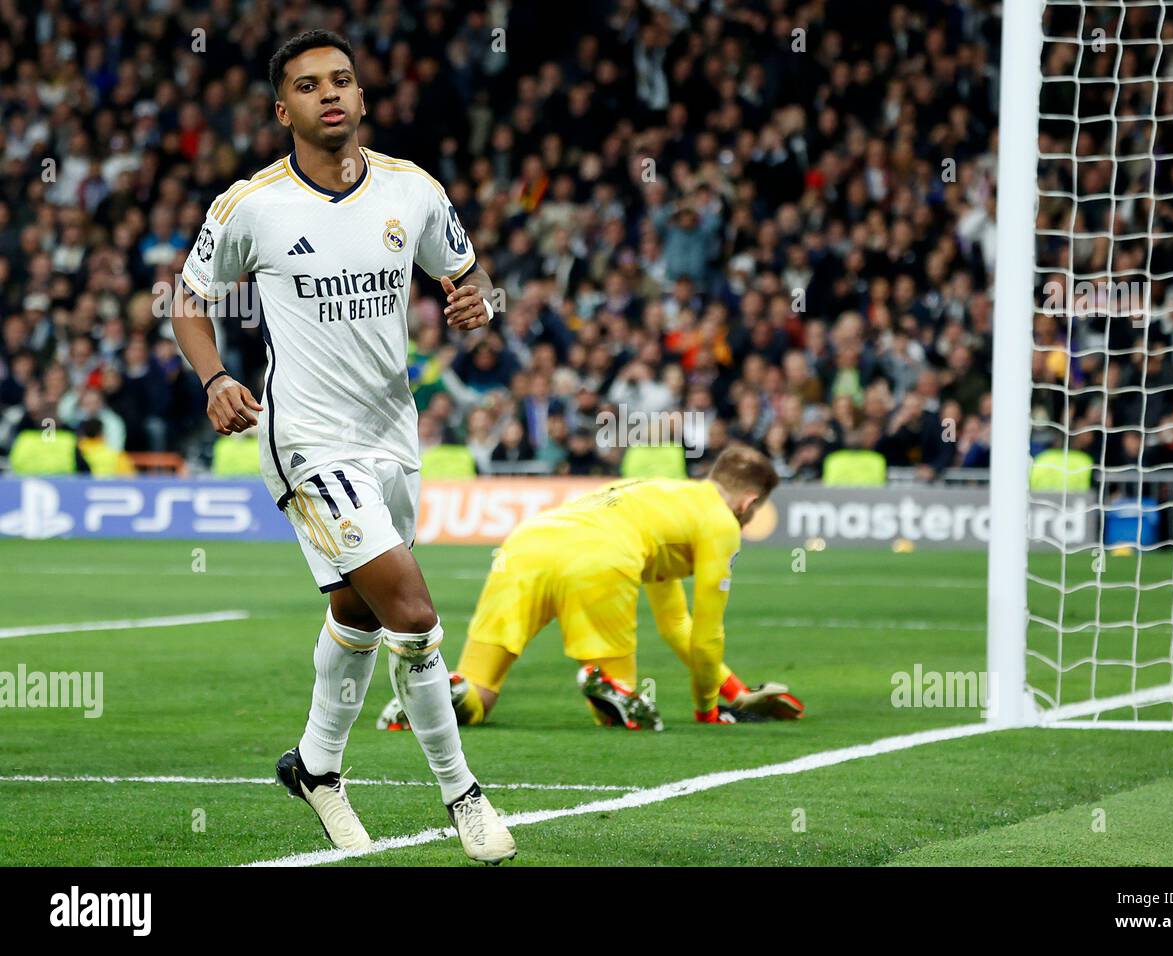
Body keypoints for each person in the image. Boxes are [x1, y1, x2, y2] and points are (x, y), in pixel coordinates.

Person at [172, 30, 515, 863]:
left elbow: (466, 276)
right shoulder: (251, 205)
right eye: (307, 85)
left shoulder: (415, 192)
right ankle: (463, 795)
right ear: (279, 108)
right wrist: (216, 377)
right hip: (307, 441)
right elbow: (189, 299)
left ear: (362, 99)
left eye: (342, 81)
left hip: (391, 437)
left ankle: (316, 767)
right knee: (415, 613)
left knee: (356, 611)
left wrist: (476, 304)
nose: (329, 95)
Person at [380, 445, 804, 731]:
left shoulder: (666, 495)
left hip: (527, 543)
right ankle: (611, 688)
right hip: (600, 558)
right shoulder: (721, 524)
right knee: (623, 711)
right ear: (749, 503)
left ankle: (442, 695)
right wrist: (709, 710)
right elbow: (705, 631)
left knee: (481, 690)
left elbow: (676, 624)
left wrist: (736, 692)